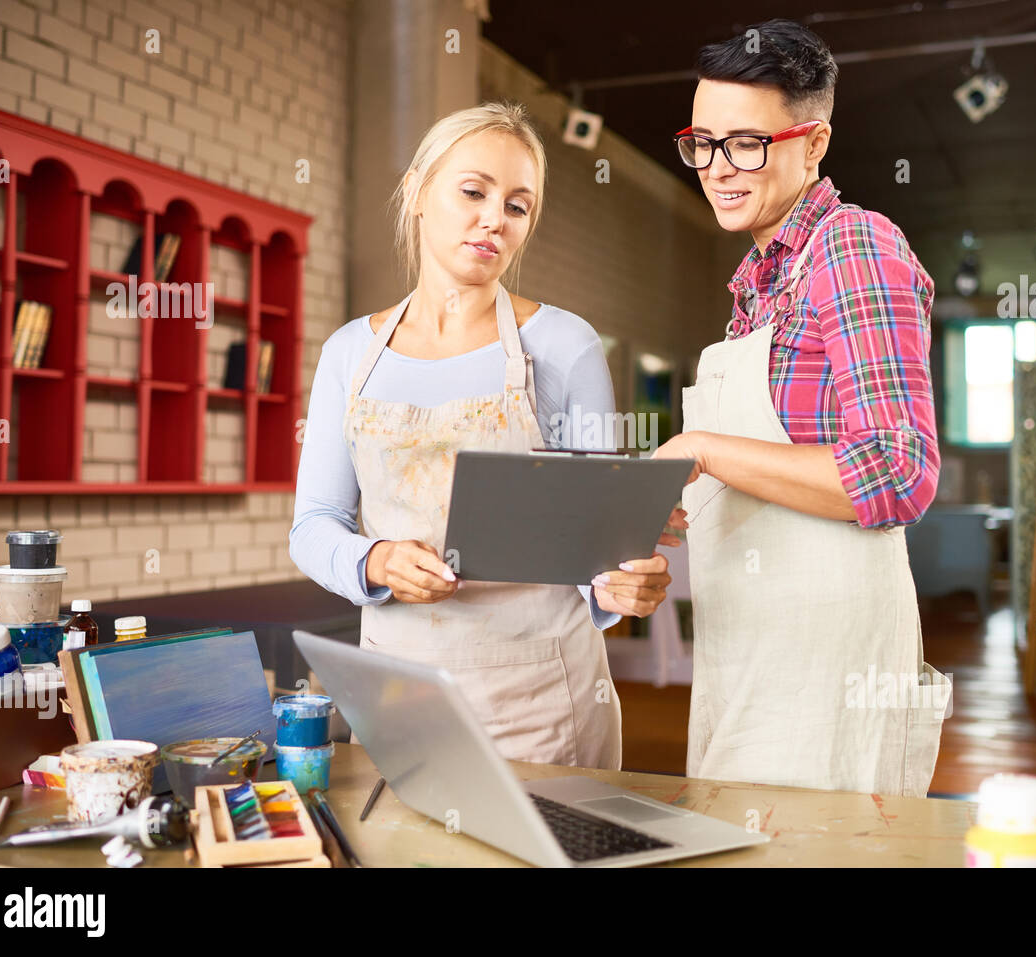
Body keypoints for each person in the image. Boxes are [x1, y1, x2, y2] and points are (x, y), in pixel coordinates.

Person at [290, 102, 674, 770]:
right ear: (416, 191)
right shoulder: (351, 353)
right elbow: (313, 525)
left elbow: (600, 540)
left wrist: (621, 583)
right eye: (474, 191)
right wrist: (374, 560)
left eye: (518, 205)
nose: (495, 217)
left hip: (541, 701)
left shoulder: (564, 347)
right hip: (400, 697)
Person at [654, 20, 949, 796]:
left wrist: (704, 449)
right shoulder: (758, 285)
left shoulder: (853, 248)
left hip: (830, 679)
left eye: (747, 143)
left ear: (812, 143)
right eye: (703, 143)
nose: (718, 169)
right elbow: (775, 471)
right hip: (748, 659)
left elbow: (897, 471)